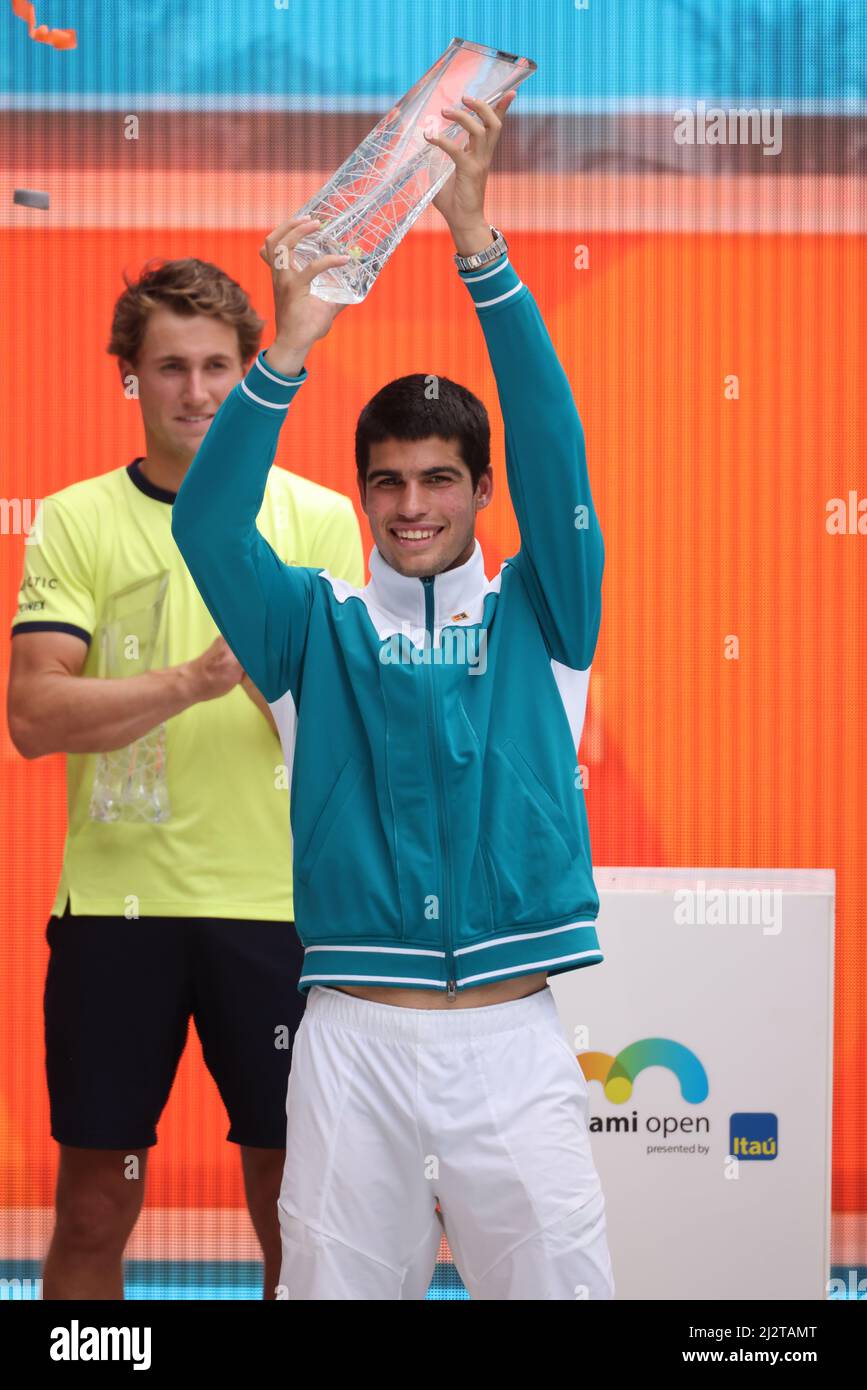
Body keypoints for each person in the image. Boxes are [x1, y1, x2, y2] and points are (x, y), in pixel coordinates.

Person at [171, 92, 614, 1300]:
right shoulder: (315, 625)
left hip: (515, 1044)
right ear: (362, 495)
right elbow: (209, 524)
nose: (411, 504)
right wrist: (287, 348)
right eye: (387, 483)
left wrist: (481, 251)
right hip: (352, 1041)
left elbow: (558, 451)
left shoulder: (546, 614)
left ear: (480, 488)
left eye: (438, 479)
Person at [6, 257, 364, 1300]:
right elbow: (34, 714)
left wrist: (269, 677)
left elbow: (344, 726)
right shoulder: (77, 519)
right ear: (130, 376)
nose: (197, 392)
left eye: (218, 366)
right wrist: (197, 676)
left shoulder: (319, 519)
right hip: (118, 917)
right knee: (93, 1209)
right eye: (170, 368)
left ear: (254, 370)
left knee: (294, 1208)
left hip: (281, 914)